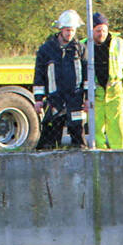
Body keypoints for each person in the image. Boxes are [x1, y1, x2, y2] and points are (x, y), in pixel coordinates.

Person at [33, 10, 89, 149]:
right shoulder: (46, 50)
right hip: (54, 99)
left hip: (75, 99)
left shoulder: (80, 49)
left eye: (72, 30)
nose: (70, 33)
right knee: (50, 139)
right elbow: (39, 75)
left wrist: (88, 98)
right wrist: (38, 99)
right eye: (67, 30)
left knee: (79, 139)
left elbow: (87, 76)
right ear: (60, 29)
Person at [91, 12, 123, 148]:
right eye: (98, 30)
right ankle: (99, 152)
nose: (101, 34)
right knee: (96, 125)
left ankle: (119, 152)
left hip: (115, 90)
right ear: (92, 30)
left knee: (118, 125)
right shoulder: (85, 45)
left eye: (104, 30)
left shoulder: (118, 43)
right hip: (95, 92)